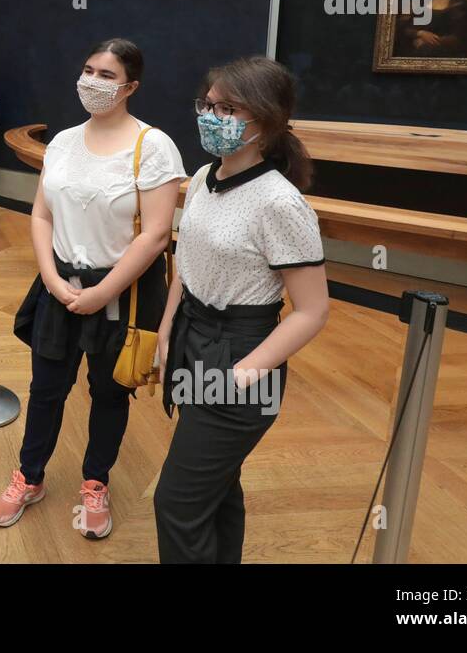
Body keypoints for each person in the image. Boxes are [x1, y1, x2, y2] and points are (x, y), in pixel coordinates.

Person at [0, 39, 185, 539]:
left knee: (108, 391)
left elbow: (157, 233)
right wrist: (52, 279)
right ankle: (29, 476)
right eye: (88, 70)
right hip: (59, 283)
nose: (92, 82)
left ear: (130, 86)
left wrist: (104, 292)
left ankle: (95, 483)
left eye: (106, 74)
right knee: (46, 388)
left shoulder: (153, 145)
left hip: (120, 291)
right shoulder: (62, 142)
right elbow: (41, 213)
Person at [153, 55, 329, 563]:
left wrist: (242, 374)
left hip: (240, 354)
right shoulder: (205, 176)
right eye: (208, 105)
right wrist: (166, 331)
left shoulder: (280, 202)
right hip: (193, 337)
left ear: (266, 121)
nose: (211, 117)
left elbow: (312, 311)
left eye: (228, 109)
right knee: (217, 489)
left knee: (177, 503)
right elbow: (186, 262)